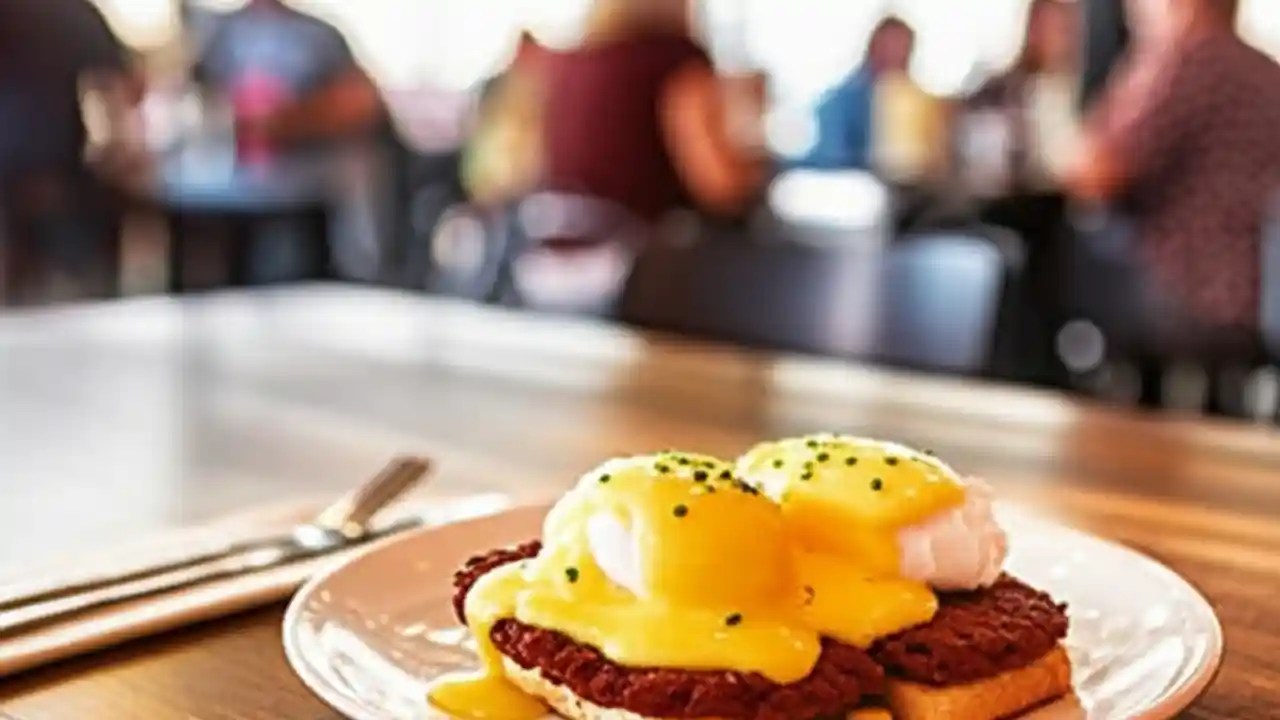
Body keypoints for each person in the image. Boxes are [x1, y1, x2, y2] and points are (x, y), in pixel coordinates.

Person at [1068, 0, 1280, 335]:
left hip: (1190, 288)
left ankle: (1038, 381)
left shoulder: (1186, 63)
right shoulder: (1268, 71)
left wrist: (1140, 66)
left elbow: (1096, 175)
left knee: (1054, 255)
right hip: (1263, 294)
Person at [538, 0, 765, 220]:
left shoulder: (570, 66)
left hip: (560, 241)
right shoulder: (675, 58)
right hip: (647, 245)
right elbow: (721, 187)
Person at [0, 0, 142, 302]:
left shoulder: (71, 15)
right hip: (54, 182)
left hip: (48, 181)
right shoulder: (76, 13)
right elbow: (115, 100)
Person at [194, 0, 384, 154]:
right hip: (232, 183)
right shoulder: (218, 34)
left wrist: (290, 122)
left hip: (308, 177)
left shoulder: (320, 35)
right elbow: (199, 101)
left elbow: (361, 104)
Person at [802, 18, 915, 171]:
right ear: (874, 47)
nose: (897, 55)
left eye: (904, 49)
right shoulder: (840, 101)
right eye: (891, 46)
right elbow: (831, 158)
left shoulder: (912, 104)